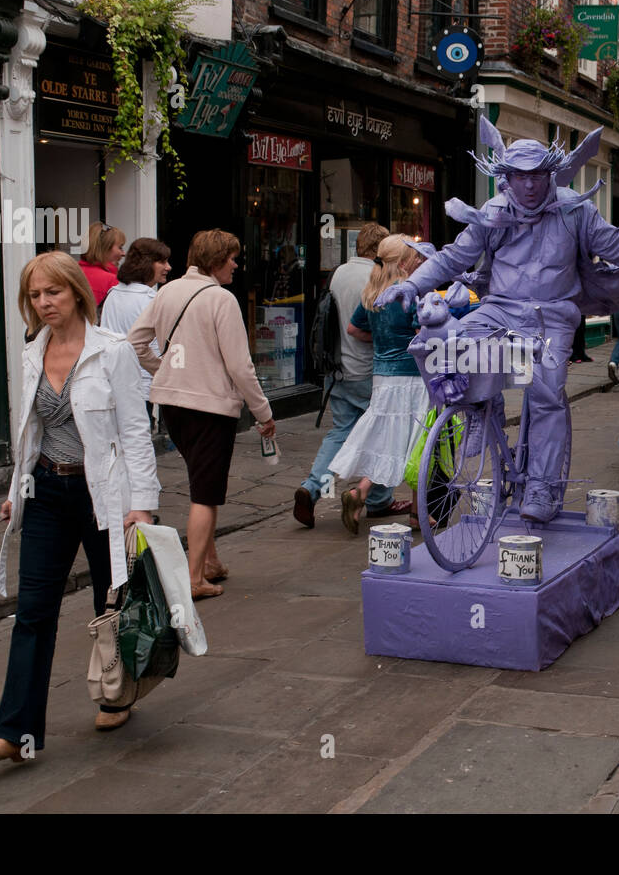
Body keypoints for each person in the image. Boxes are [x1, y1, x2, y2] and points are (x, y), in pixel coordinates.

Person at [375, 117, 619, 522]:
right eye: (519, 176)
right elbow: (452, 258)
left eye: (537, 176)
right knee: (448, 347)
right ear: (506, 177)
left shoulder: (574, 211)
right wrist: (411, 285)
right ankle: (479, 408)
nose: (529, 186)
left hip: (552, 316)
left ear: (550, 173)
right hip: (499, 308)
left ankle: (543, 488)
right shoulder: (494, 212)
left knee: (547, 393)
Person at [0, 252, 159, 763]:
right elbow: (27, 433)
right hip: (47, 492)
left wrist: (141, 505)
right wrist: (16, 492)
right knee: (33, 613)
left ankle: (118, 691)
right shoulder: (33, 351)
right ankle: (14, 731)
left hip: (104, 494)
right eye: (35, 295)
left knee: (113, 601)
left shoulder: (113, 351)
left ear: (77, 292)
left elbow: (135, 433)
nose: (43, 303)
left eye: (52, 292)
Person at [128, 229, 275, 599]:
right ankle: (193, 578)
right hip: (209, 408)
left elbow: (134, 340)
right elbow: (241, 367)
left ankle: (209, 561)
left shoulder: (168, 292)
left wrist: (161, 369)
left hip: (173, 406)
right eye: (232, 258)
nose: (236, 265)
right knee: (206, 494)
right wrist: (263, 413)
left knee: (201, 479)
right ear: (215, 261)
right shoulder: (221, 300)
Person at [293, 223, 406, 529]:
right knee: (384, 434)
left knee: (341, 433)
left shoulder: (339, 272)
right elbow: (377, 327)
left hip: (336, 370)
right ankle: (379, 499)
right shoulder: (377, 277)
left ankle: (312, 487)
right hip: (369, 371)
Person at [330, 234, 432, 534]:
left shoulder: (373, 292)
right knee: (419, 443)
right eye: (414, 258)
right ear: (402, 263)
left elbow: (353, 328)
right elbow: (423, 330)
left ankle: (359, 492)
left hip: (382, 375)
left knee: (386, 438)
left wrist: (383, 341)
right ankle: (418, 515)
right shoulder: (409, 294)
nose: (418, 262)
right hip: (413, 376)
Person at [101, 238, 172, 416]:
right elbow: (155, 347)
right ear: (146, 264)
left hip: (113, 383)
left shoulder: (113, 294)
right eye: (162, 261)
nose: (168, 267)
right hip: (142, 386)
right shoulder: (151, 299)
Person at [79, 221, 126, 308]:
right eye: (120, 247)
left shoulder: (71, 273)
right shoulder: (111, 281)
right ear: (104, 248)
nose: (123, 253)